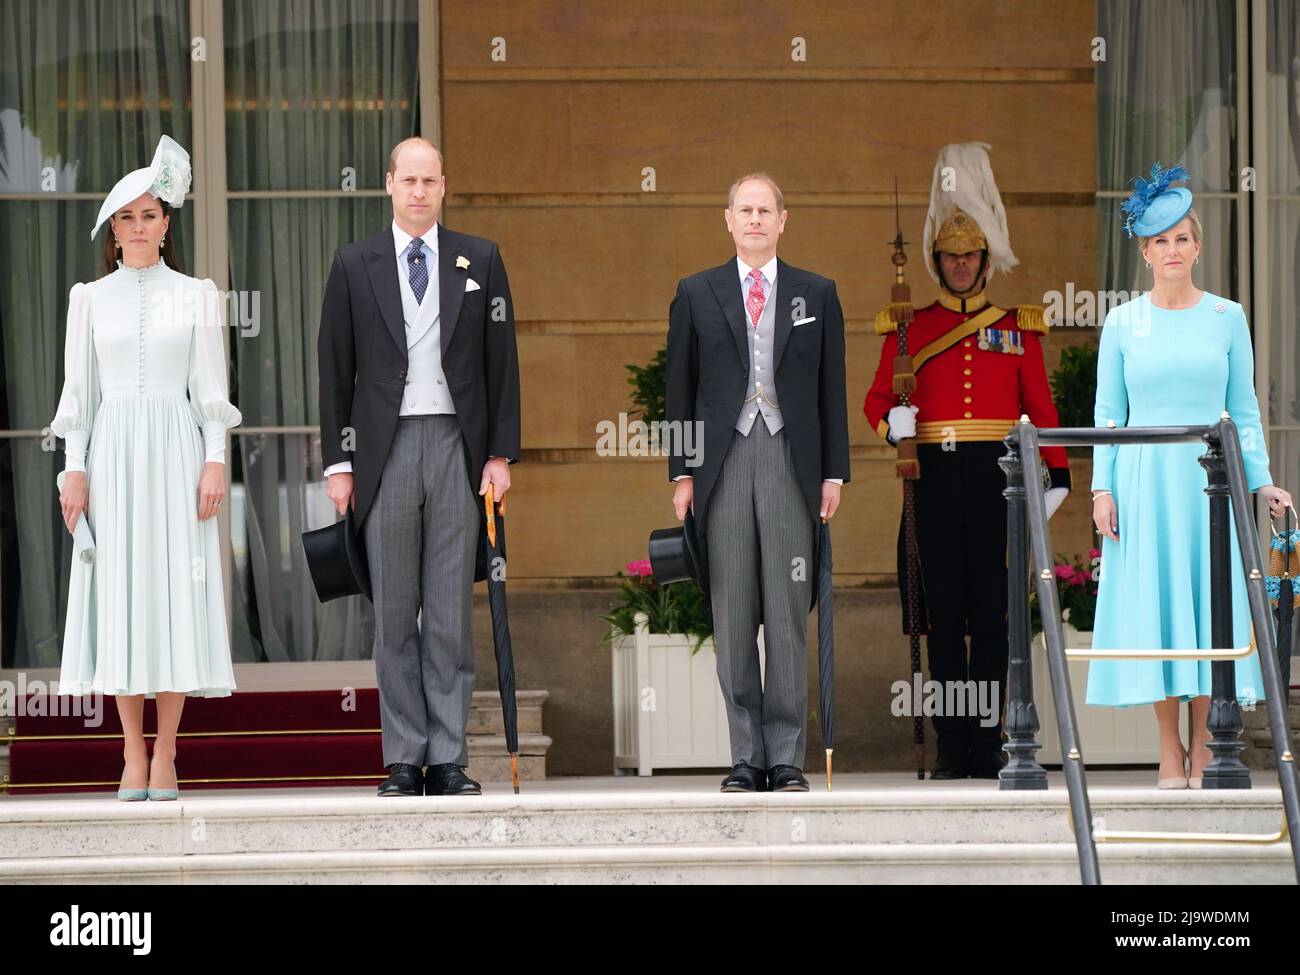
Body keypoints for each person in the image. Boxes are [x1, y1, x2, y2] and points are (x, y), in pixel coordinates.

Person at [317, 137, 520, 797]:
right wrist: (340, 461)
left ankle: (449, 756)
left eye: (430, 180)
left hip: (457, 449)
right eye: (408, 179)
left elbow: (501, 365)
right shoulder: (355, 264)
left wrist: (498, 454)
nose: (419, 191)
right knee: (395, 607)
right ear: (388, 184)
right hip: (386, 450)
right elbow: (334, 371)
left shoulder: (481, 259)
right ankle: (405, 755)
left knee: (450, 614)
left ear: (443, 185)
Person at [865, 143, 1071, 779]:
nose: (960, 265)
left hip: (995, 482)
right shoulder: (908, 327)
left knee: (994, 617)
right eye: (951, 256)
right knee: (941, 616)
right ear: (938, 261)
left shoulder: (1018, 326)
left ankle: (993, 745)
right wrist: (890, 423)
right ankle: (956, 750)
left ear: (984, 260)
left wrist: (1056, 475)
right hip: (931, 480)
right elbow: (876, 399)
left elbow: (1041, 407)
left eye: (970, 255)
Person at [1088, 163, 1291, 789]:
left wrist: (1261, 481)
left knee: (1211, 610)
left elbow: (1246, 406)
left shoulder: (1227, 317)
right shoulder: (1122, 322)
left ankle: (1207, 742)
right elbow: (1106, 414)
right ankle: (1167, 749)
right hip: (1144, 481)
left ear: (1197, 247)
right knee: (1157, 612)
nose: (1172, 250)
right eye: (1160, 240)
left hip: (1212, 481)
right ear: (1145, 252)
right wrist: (1101, 488)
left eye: (1182, 238)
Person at [51, 135, 241, 801]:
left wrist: (216, 458)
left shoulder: (197, 294)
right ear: (113, 228)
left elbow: (210, 390)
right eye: (127, 216)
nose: (139, 226)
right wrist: (73, 468)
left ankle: (167, 753)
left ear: (167, 223)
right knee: (123, 600)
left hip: (176, 457)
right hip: (112, 458)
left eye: (150, 214)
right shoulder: (88, 298)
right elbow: (78, 395)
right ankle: (131, 751)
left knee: (174, 599)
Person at [665, 172, 850, 793]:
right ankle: (746, 755)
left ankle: (787, 757)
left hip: (790, 462)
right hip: (721, 464)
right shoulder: (696, 292)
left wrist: (833, 473)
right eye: (744, 210)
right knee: (734, 612)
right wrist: (682, 472)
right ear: (728, 219)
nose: (754, 220)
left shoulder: (816, 293)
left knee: (787, 612)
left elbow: (831, 389)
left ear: (782, 219)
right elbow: (679, 392)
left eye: (764, 210)